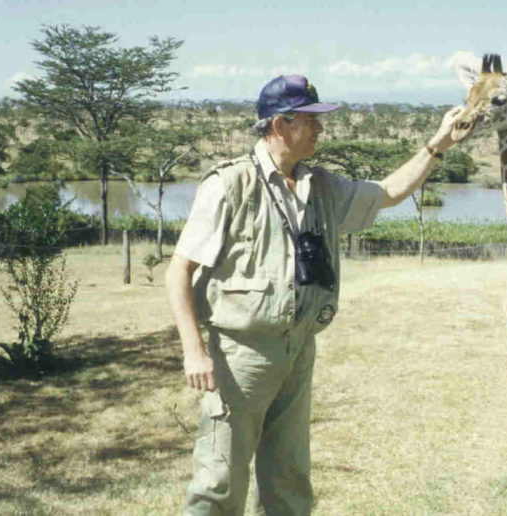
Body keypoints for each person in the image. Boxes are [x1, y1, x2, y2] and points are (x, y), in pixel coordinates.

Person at [166, 74, 470, 515]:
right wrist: (194, 352)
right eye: (311, 120)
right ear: (280, 124)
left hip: (299, 349)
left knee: (289, 480)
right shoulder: (229, 184)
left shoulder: (321, 185)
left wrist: (439, 144)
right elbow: (180, 269)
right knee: (218, 483)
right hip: (240, 356)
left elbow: (388, 193)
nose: (320, 129)